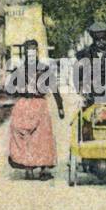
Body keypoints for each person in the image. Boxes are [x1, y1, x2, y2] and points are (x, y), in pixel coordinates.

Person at [7, 39, 63, 178]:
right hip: (24, 105)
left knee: (42, 137)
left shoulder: (44, 69)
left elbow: (54, 88)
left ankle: (43, 168)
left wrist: (60, 106)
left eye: (33, 51)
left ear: (37, 52)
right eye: (28, 52)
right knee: (24, 136)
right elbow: (9, 90)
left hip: (40, 105)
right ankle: (28, 167)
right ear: (25, 53)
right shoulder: (19, 70)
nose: (31, 54)